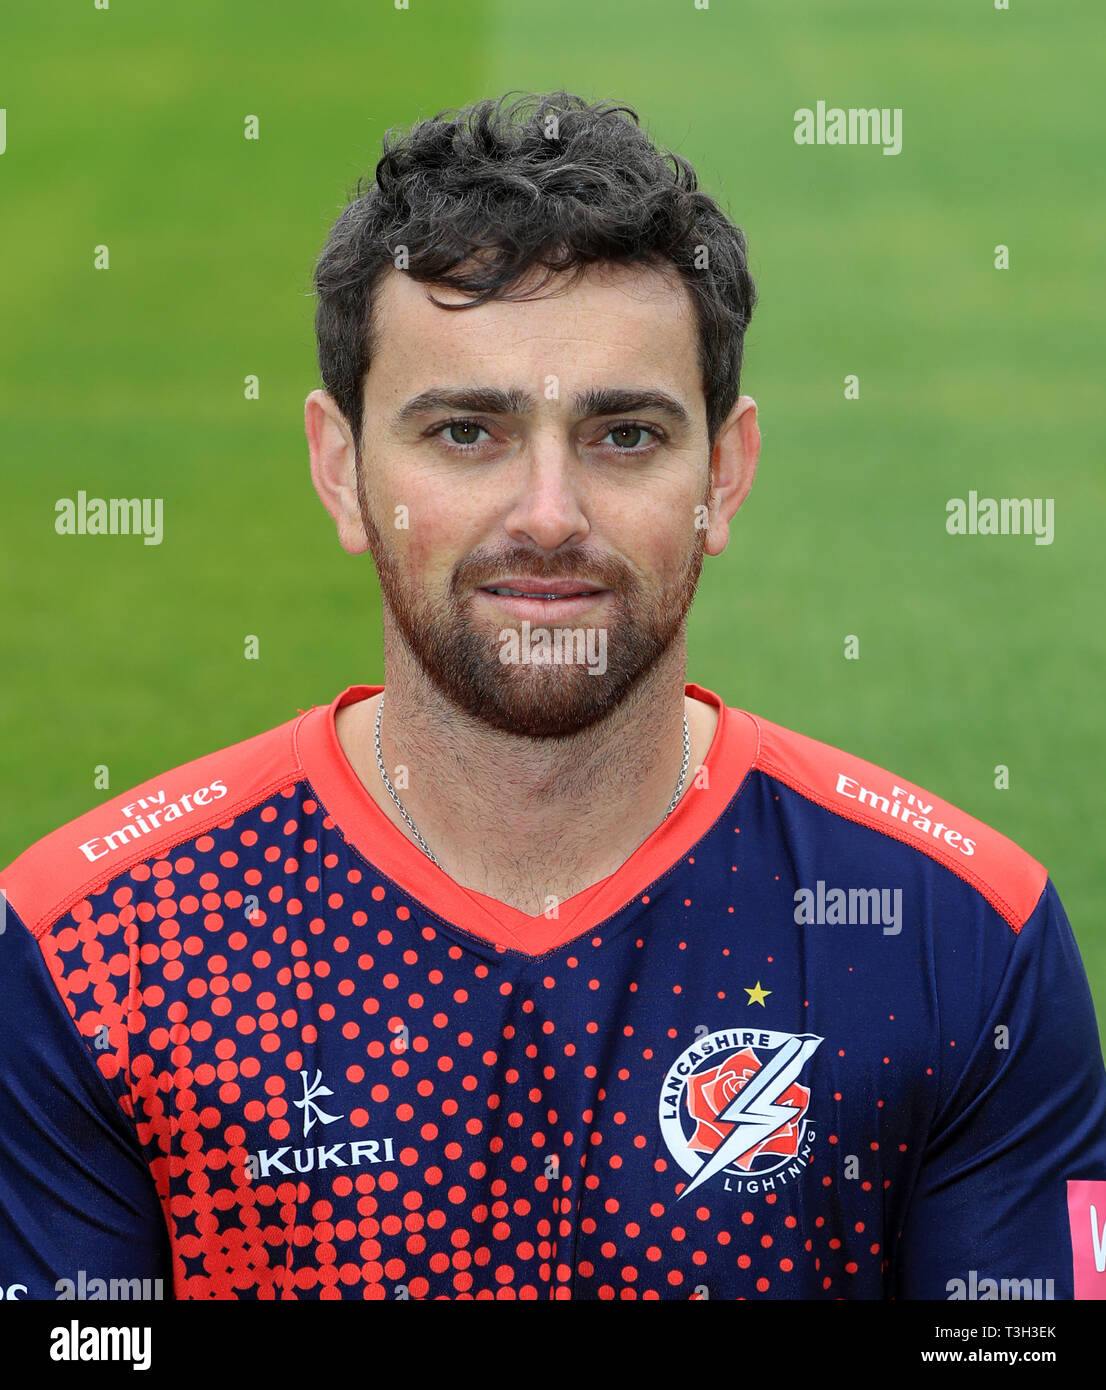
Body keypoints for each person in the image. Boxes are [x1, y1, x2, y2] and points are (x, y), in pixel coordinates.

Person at [1, 90, 1103, 1302]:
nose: (546, 514)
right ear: (342, 470)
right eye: (465, 432)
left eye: (623, 435)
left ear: (722, 475)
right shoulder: (91, 948)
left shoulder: (961, 937)